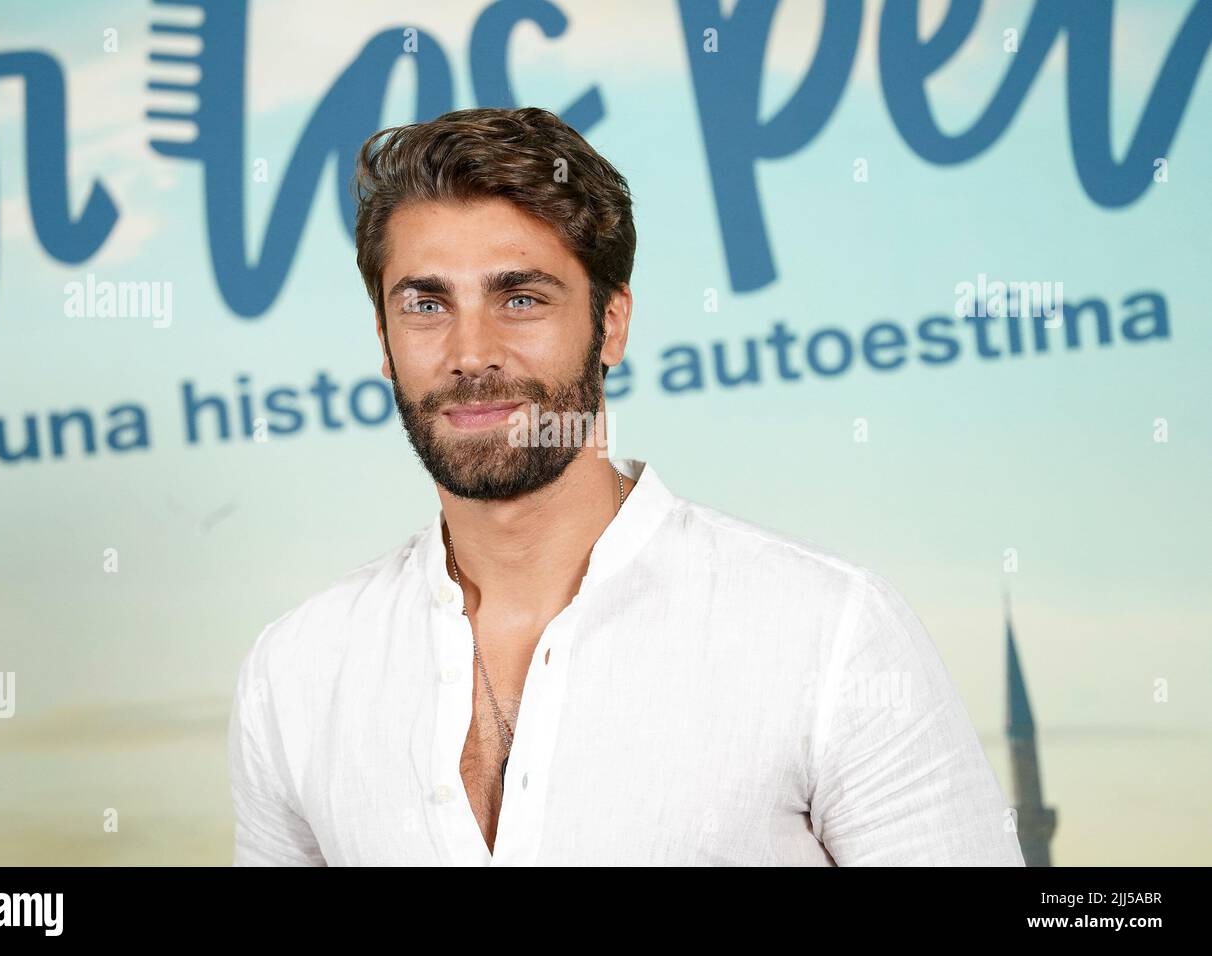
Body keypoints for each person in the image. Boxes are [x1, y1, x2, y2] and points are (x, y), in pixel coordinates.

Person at [227, 106, 1025, 866]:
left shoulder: (829, 634)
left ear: (611, 324)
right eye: (428, 304)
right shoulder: (296, 670)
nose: (472, 351)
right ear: (385, 340)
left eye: (521, 298)